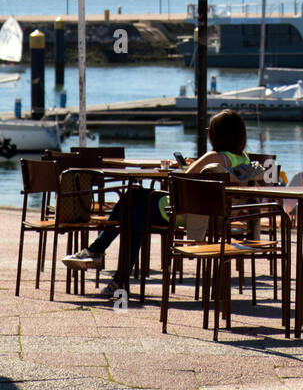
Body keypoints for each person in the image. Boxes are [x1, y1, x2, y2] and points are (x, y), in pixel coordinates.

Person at [62, 109, 255, 297]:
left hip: (175, 211)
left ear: (215, 135)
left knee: (130, 212)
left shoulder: (213, 157)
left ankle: (101, 257)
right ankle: (107, 265)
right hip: (210, 215)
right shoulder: (244, 159)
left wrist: (179, 169)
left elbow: (182, 182)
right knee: (131, 198)